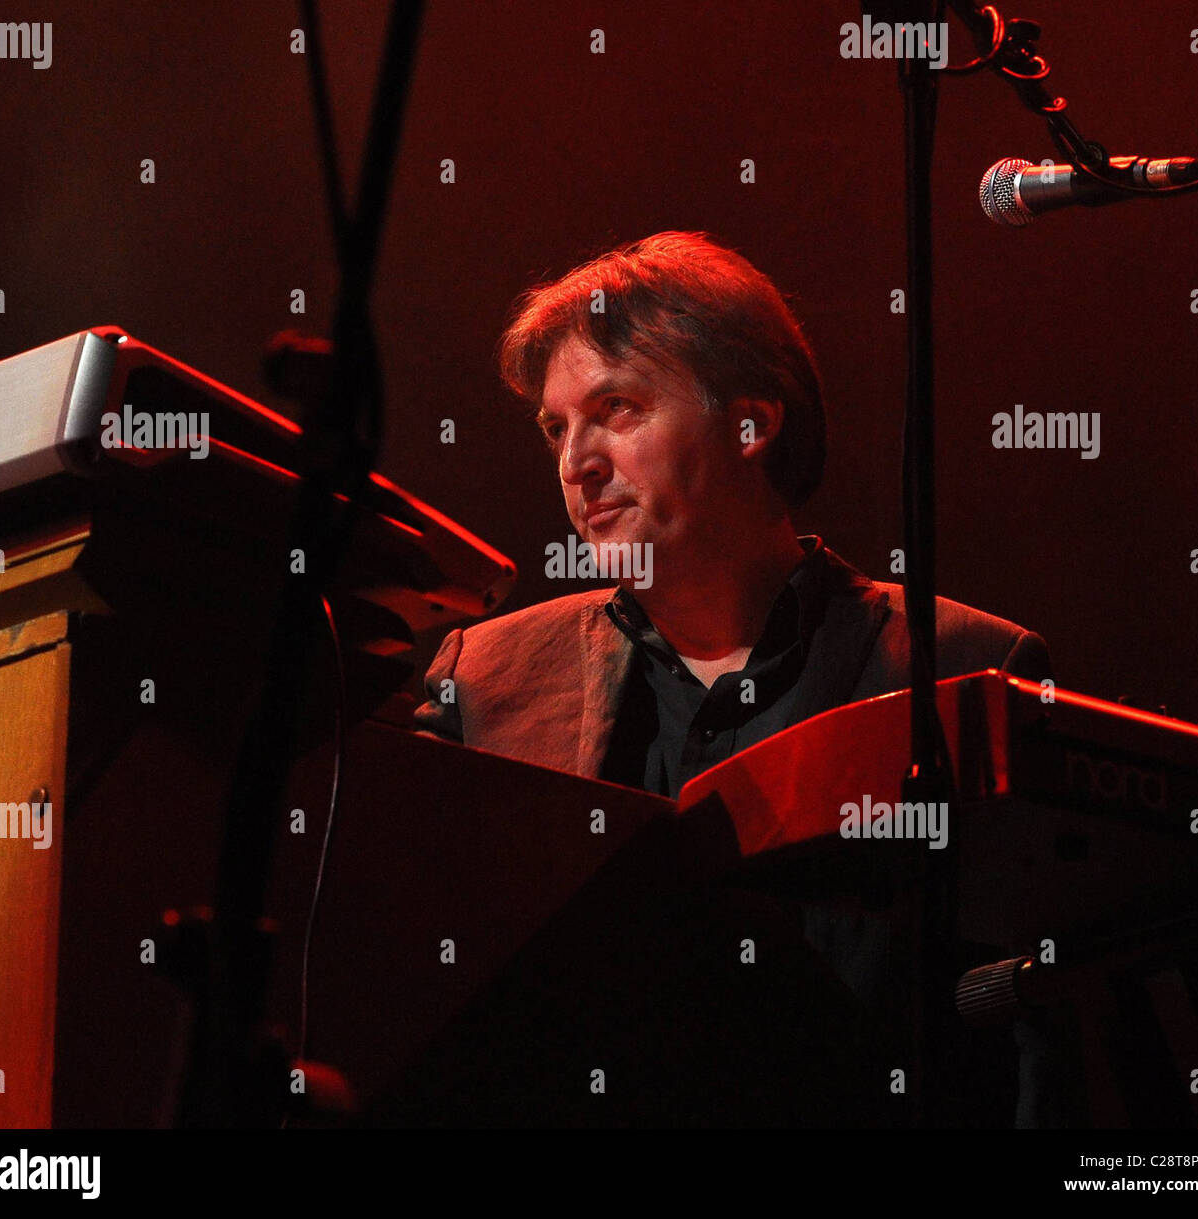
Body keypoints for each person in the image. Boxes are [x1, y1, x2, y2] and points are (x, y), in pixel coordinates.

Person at [412, 231, 1063, 1126]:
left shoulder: (963, 668)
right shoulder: (485, 680)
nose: (577, 462)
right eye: (557, 427)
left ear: (753, 423)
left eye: (619, 409)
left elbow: (1042, 1048)